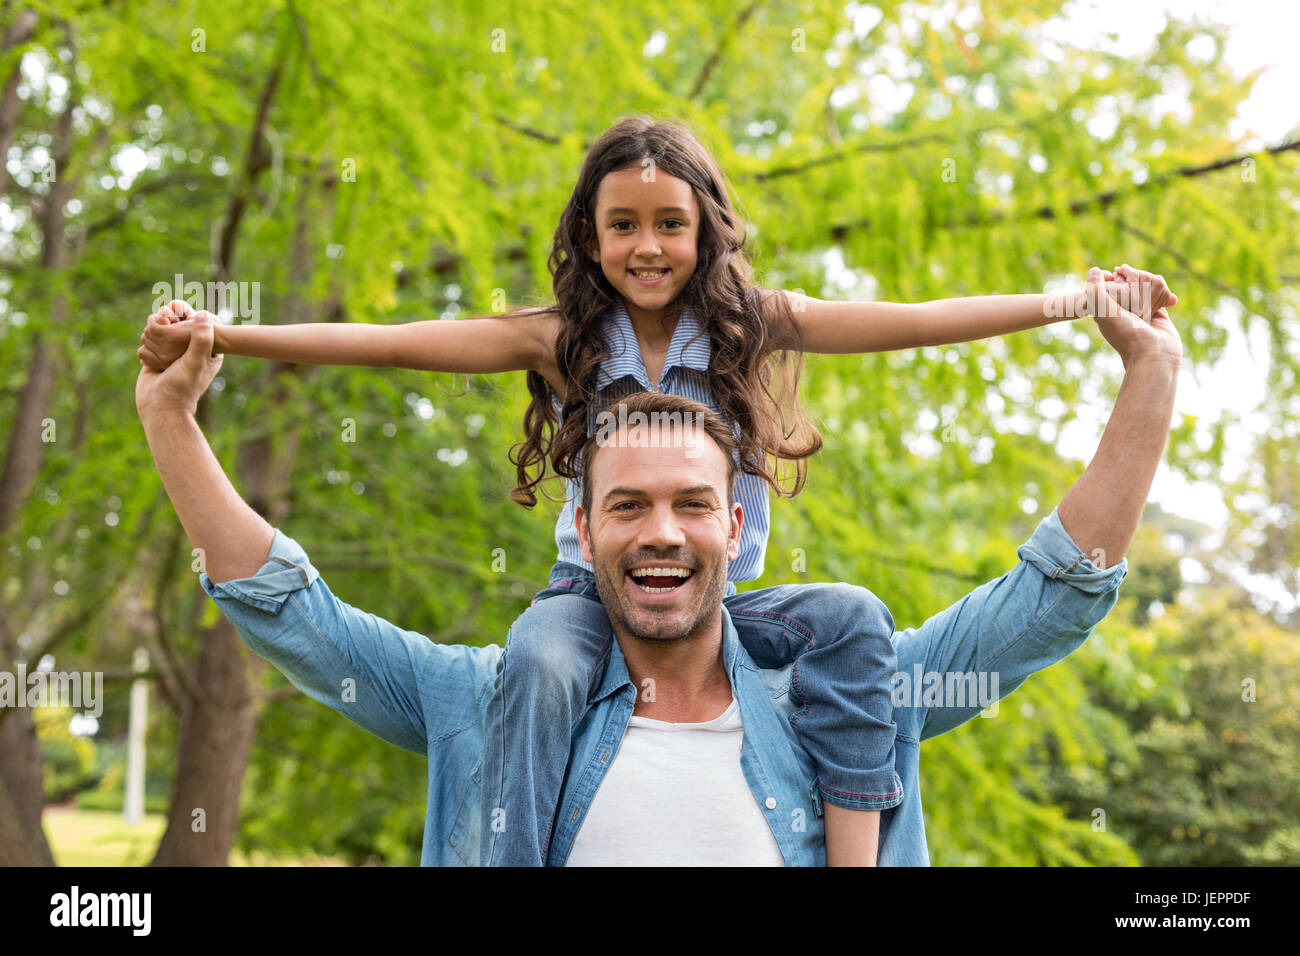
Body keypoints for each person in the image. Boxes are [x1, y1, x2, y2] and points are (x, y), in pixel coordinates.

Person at [138, 115, 1172, 865]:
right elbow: (395, 347)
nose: (645, 247)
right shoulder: (558, 342)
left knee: (853, 617)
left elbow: (911, 320)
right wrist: (221, 342)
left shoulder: (753, 324)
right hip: (574, 611)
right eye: (620, 225)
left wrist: (1076, 305)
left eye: (667, 224)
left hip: (749, 617)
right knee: (543, 657)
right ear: (585, 521)